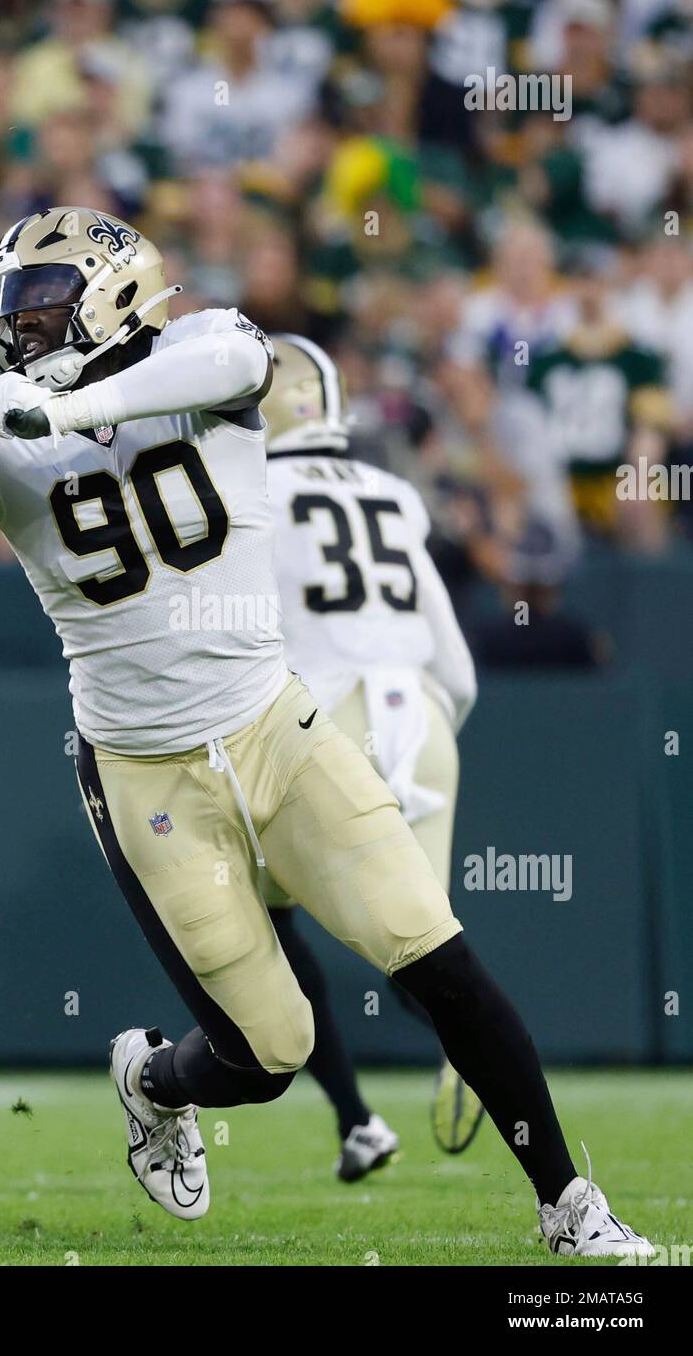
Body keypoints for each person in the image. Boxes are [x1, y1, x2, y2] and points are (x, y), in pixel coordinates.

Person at [0, 206, 652, 1257]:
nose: (20, 330)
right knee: (269, 1050)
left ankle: (569, 1207)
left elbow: (231, 361)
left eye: (45, 304)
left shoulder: (205, 351)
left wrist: (59, 418)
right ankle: (151, 1079)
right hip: (144, 774)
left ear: (112, 297)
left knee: (436, 957)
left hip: (276, 729)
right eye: (10, 310)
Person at [260, 334, 484, 1175]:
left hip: (321, 724)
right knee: (423, 958)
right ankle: (466, 1052)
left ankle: (356, 1118)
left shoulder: (248, 490)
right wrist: (423, 737)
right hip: (422, 719)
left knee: (263, 922)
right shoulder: (394, 493)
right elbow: (454, 665)